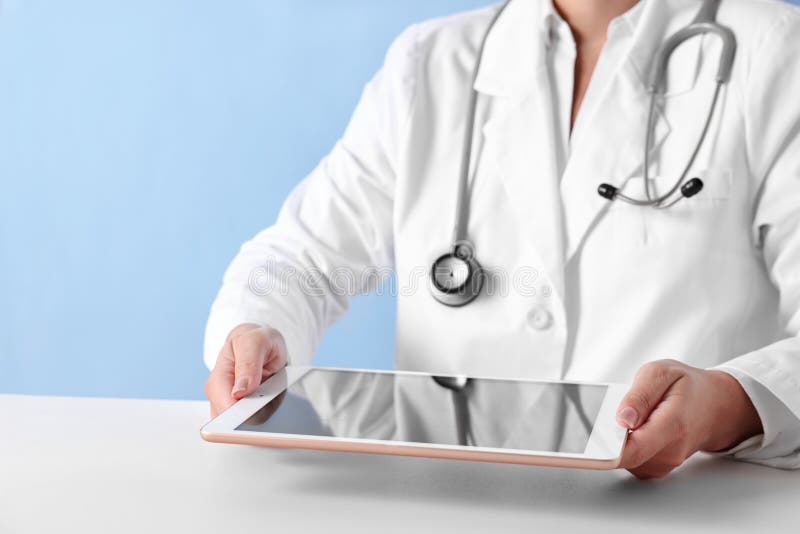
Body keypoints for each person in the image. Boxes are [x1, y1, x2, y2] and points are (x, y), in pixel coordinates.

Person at [203, 0, 800, 479]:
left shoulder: (776, 51)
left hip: (686, 505)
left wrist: (725, 402)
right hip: (447, 504)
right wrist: (255, 329)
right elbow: (299, 259)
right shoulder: (430, 60)